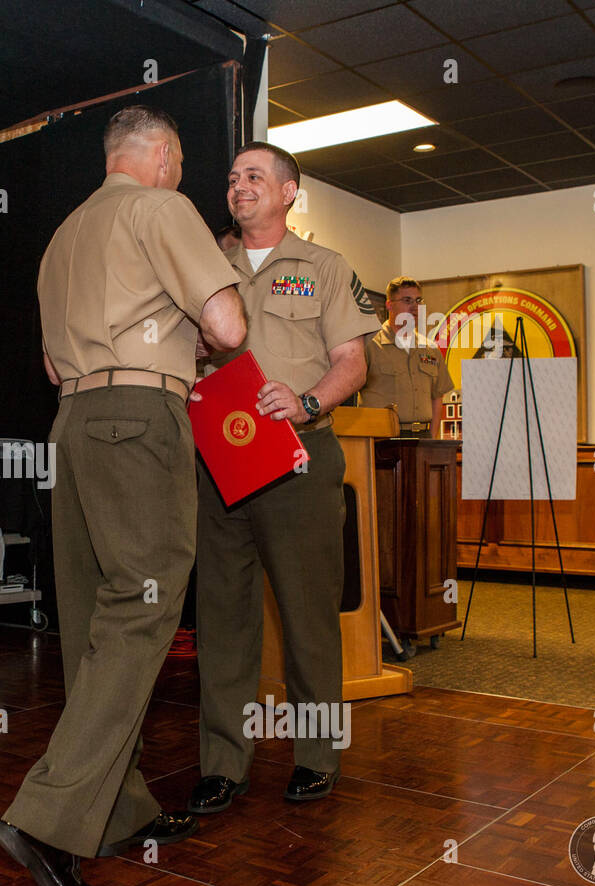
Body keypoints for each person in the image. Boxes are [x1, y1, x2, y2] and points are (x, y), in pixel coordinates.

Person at [0, 106, 246, 886]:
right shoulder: (161, 208)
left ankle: (118, 805)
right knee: (143, 611)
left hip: (72, 424)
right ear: (164, 156)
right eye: (181, 162)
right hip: (142, 419)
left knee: (94, 614)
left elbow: (46, 356)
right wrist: (201, 337)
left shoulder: (64, 234)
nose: (182, 176)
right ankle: (50, 819)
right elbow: (229, 326)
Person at [190, 142, 374, 814]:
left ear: (291, 190)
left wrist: (308, 402)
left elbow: (351, 363)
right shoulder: (205, 260)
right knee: (222, 617)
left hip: (297, 458)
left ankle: (317, 755)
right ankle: (223, 764)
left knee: (307, 617)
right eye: (233, 176)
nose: (239, 186)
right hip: (220, 461)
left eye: (255, 176)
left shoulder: (325, 267)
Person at [358, 275, 454, 432]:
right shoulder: (369, 345)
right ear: (389, 305)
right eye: (407, 301)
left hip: (422, 436)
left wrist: (432, 439)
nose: (415, 307)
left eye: (418, 301)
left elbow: (437, 397)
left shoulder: (430, 348)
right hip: (380, 438)